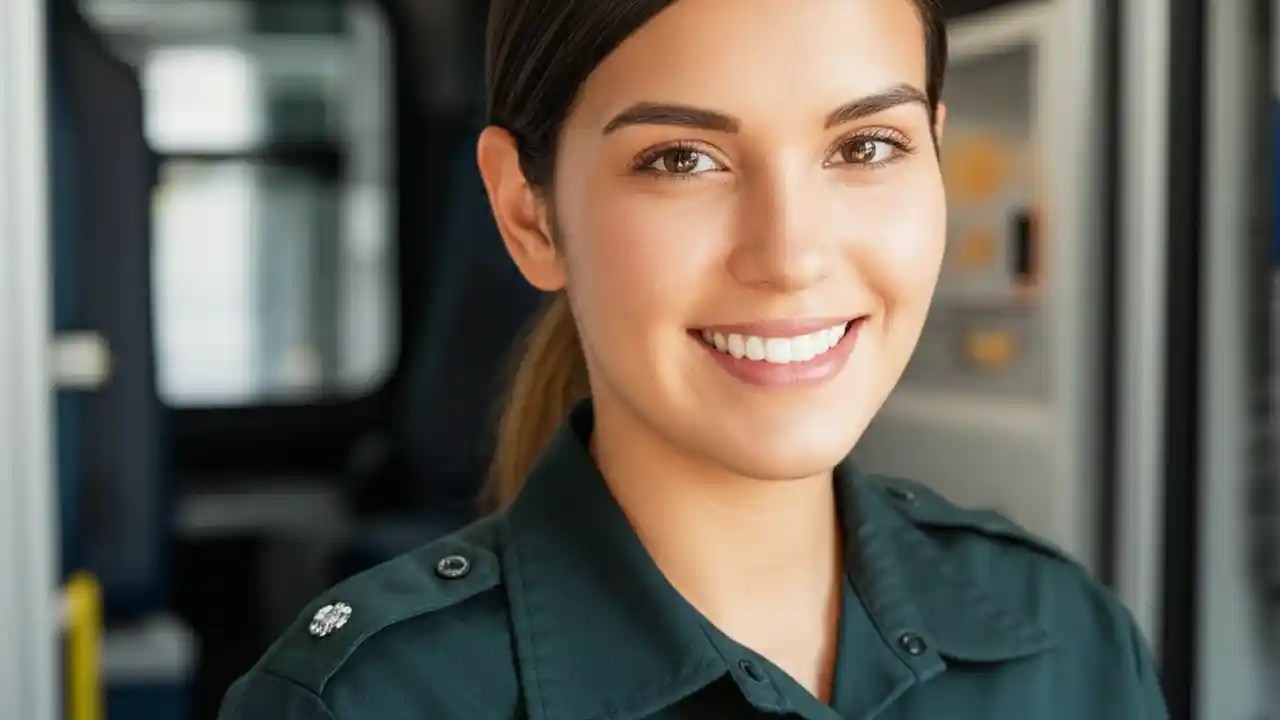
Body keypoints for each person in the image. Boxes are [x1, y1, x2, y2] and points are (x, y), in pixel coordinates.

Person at [218, 1, 1169, 718]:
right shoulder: (367, 701)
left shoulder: (1069, 642)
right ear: (527, 214)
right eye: (682, 159)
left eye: (867, 146)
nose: (790, 256)